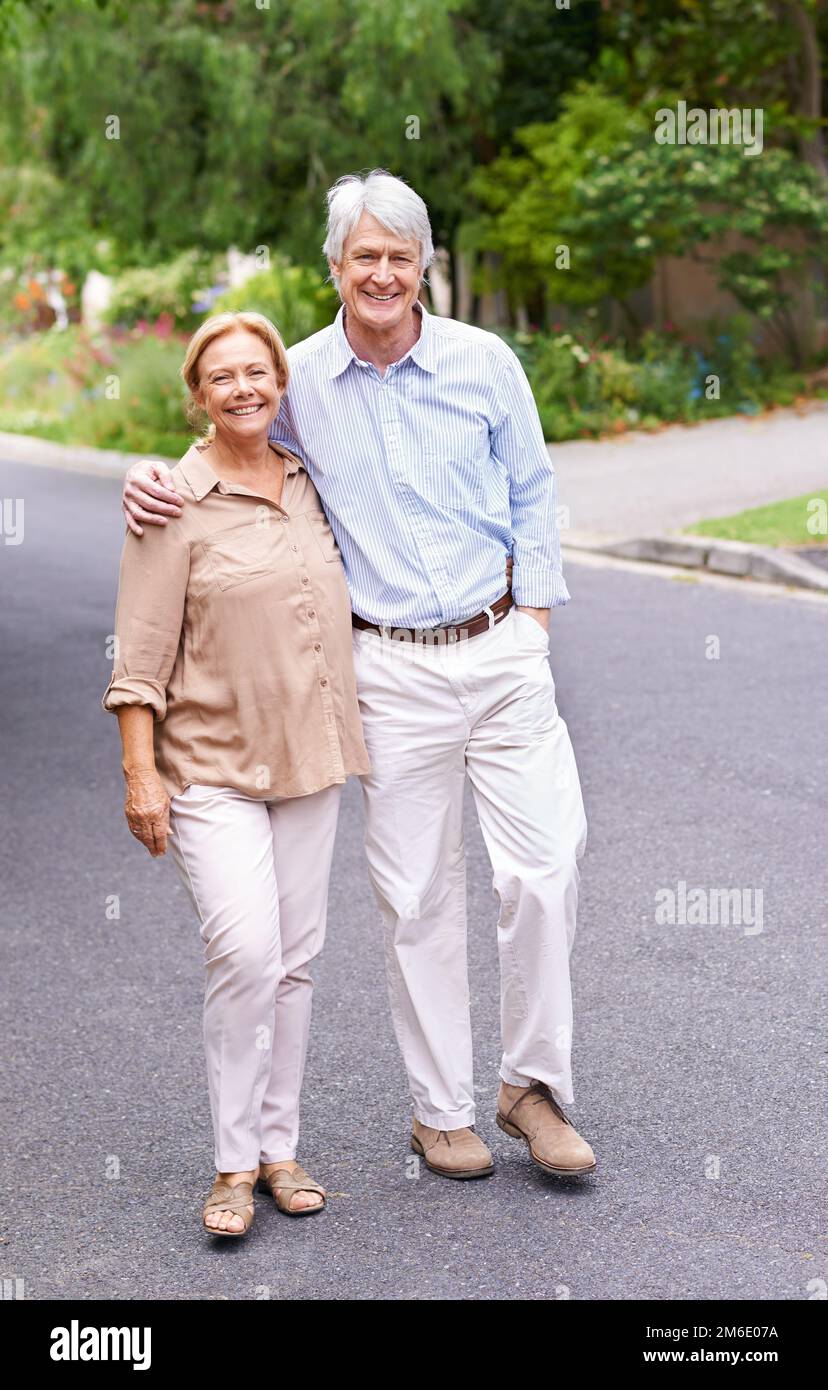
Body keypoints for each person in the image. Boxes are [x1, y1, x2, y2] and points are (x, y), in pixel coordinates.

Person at [121, 170, 596, 1184]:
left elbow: (533, 487)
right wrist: (148, 474)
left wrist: (536, 622)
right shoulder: (295, 384)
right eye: (363, 256)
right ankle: (441, 1113)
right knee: (416, 894)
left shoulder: (485, 361)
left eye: (400, 254)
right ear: (333, 268)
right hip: (389, 668)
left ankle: (534, 1088)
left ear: (423, 263)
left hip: (503, 645)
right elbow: (226, 444)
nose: (382, 273)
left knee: (544, 870)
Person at [103, 311, 372, 1236]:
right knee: (247, 953)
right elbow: (138, 656)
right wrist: (143, 776)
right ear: (198, 395)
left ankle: (278, 1149)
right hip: (208, 767)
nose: (244, 389)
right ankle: (229, 1165)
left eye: (258, 372)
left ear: (280, 383)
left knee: (296, 964)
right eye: (223, 378)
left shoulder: (308, 479)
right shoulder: (172, 499)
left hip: (309, 758)